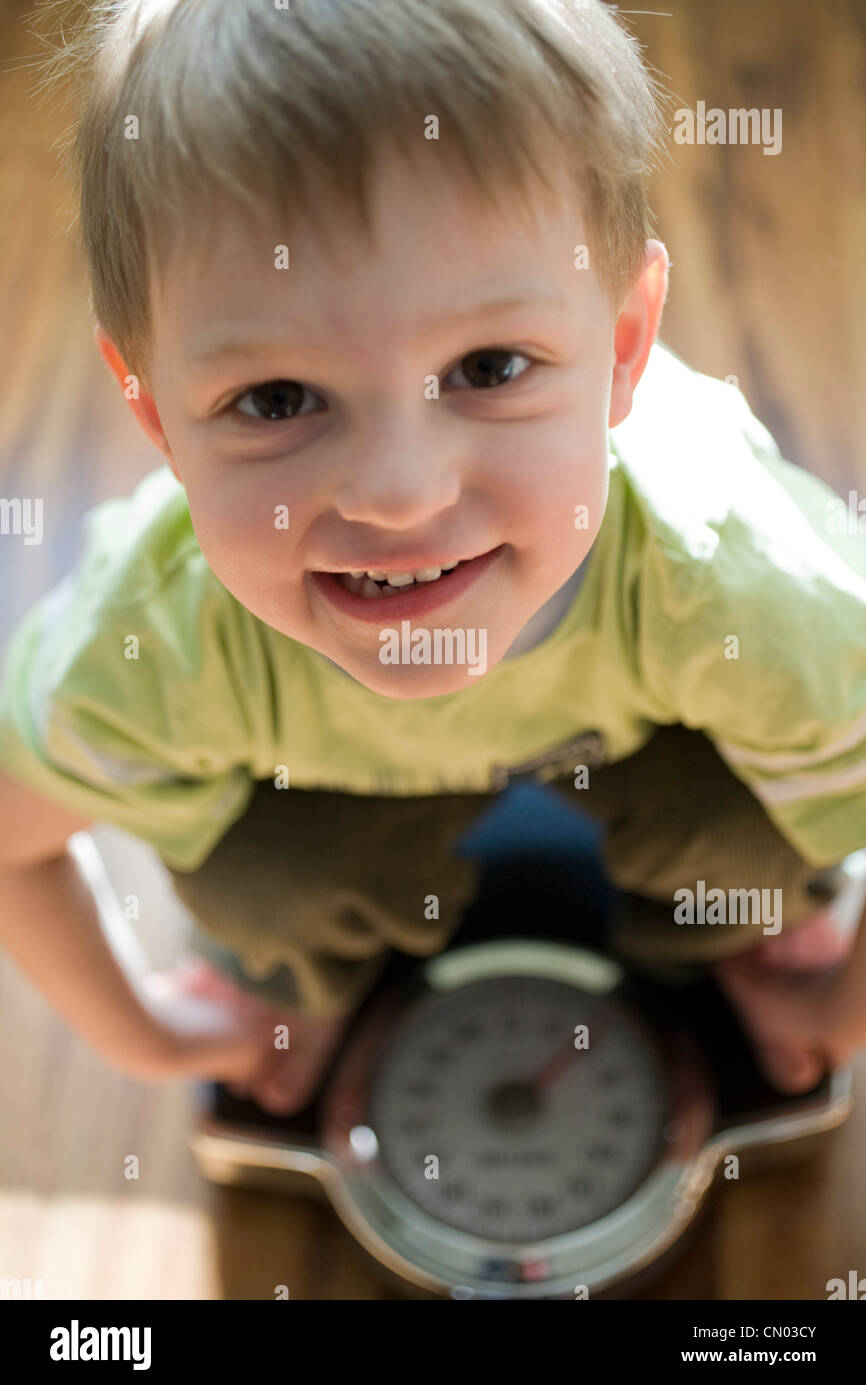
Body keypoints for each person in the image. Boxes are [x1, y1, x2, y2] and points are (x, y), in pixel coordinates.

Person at [1, 0, 865, 1117]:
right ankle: (312, 971)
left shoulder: (737, 575)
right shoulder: (152, 638)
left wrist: (836, 1007)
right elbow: (14, 844)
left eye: (488, 366)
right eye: (275, 399)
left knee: (739, 854)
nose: (398, 494)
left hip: (666, 741)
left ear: (620, 349)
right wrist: (155, 1036)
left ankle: (733, 940)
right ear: (156, 414)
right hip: (328, 795)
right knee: (260, 886)